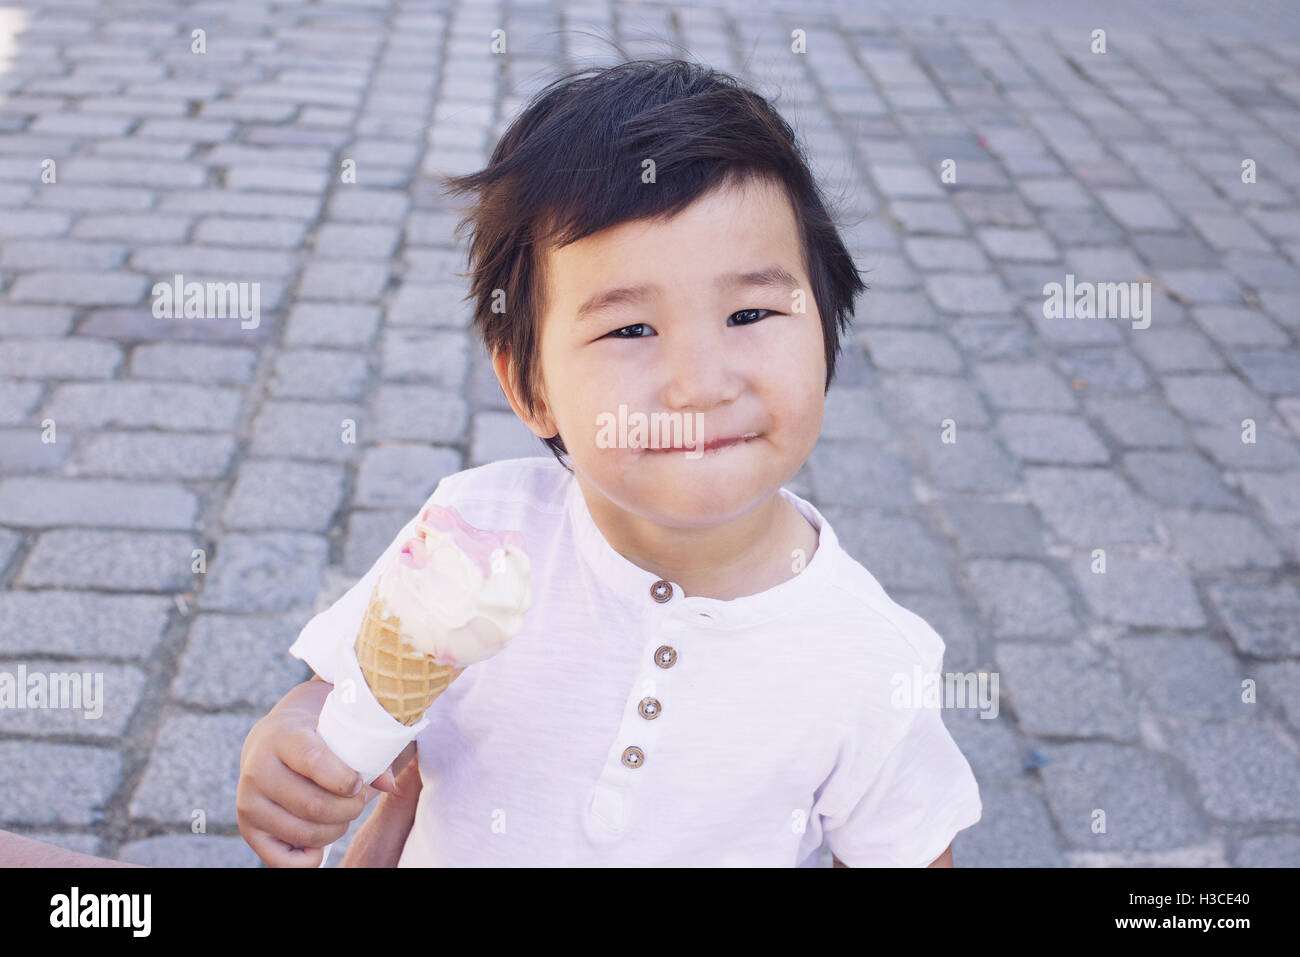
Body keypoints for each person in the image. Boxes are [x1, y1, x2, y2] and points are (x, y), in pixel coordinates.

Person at [237, 57, 981, 868]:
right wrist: (296, 743)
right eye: (630, 329)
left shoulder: (869, 657)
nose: (700, 382)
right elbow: (343, 695)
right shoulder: (475, 535)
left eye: (750, 312)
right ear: (531, 385)